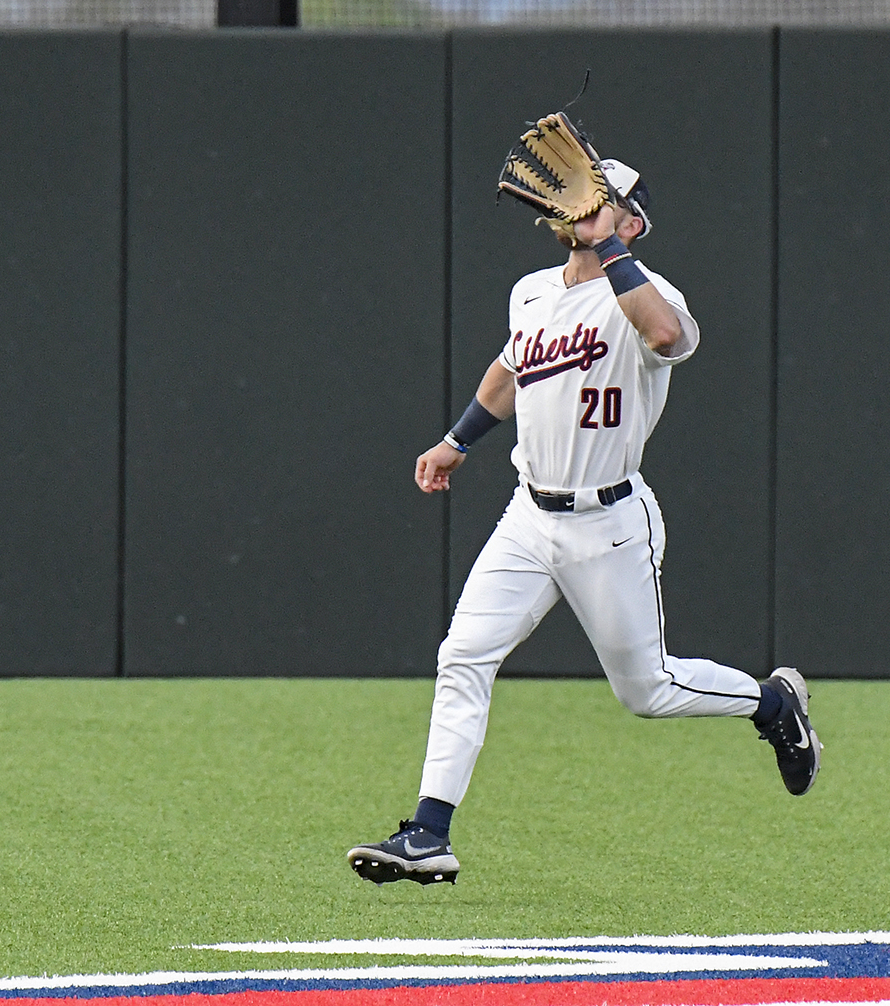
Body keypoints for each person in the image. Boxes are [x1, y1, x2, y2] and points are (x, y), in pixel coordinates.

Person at [346, 158, 822, 887]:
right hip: (527, 516)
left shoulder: (647, 291)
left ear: (632, 222)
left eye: (604, 198)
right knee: (463, 655)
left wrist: (612, 247)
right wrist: (457, 440)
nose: (581, 203)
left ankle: (771, 699)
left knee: (647, 691)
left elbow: (670, 340)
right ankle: (428, 834)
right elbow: (509, 371)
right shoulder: (531, 291)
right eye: (580, 192)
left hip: (609, 522)